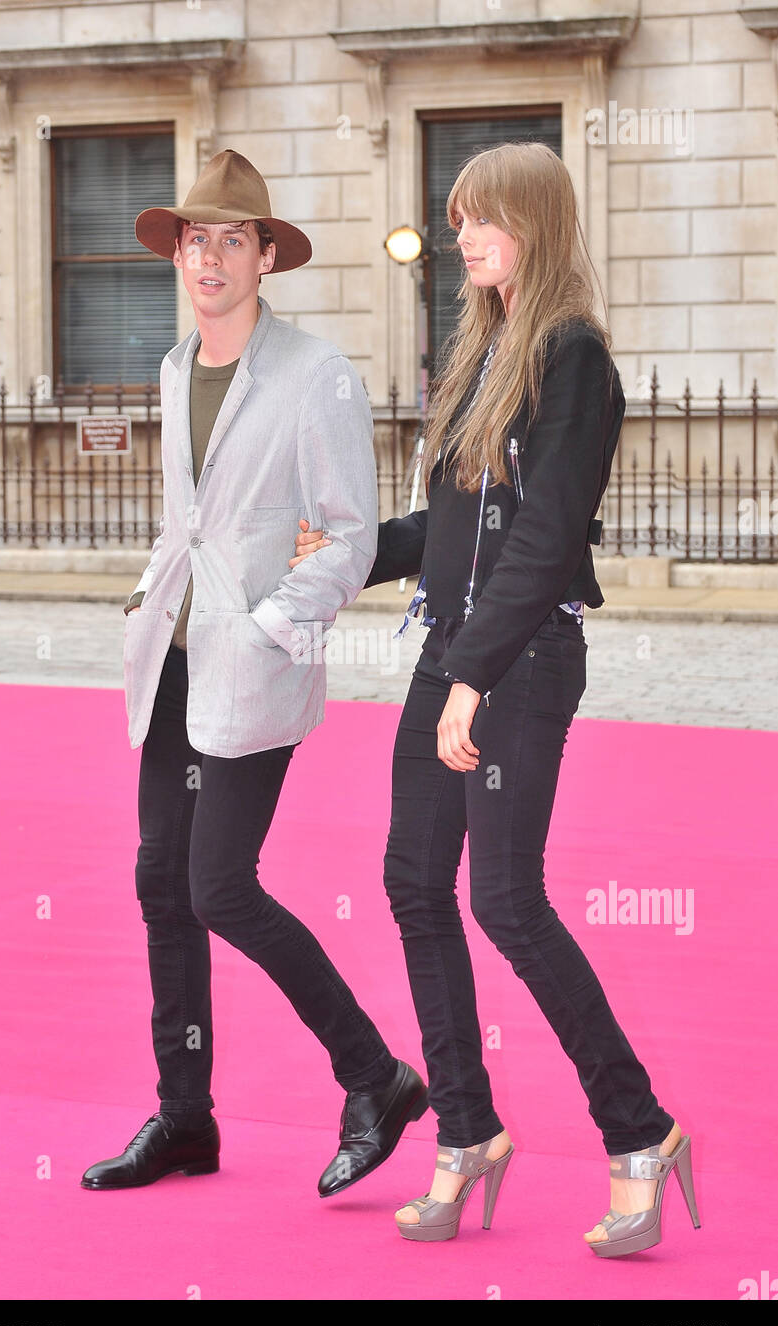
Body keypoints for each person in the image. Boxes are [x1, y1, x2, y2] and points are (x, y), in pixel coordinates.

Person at [291, 143, 700, 1254]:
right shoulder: (476, 356)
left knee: (506, 900)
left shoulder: (572, 361)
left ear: (538, 224)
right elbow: (452, 534)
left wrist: (472, 677)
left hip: (520, 661)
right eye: (457, 218)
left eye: (485, 220)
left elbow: (542, 536)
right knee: (413, 882)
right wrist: (343, 555)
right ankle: (465, 1132)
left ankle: (640, 1131)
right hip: (451, 649)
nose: (462, 236)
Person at [80, 149, 428, 1198]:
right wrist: (152, 598)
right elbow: (188, 522)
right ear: (177, 253)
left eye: (234, 239)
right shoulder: (177, 365)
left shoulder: (315, 373)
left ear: (266, 257)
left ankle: (375, 1076)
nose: (211, 256)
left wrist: (281, 622)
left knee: (220, 885)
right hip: (178, 662)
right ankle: (185, 1120)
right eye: (197, 238)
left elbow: (349, 532)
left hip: (258, 664)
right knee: (161, 886)